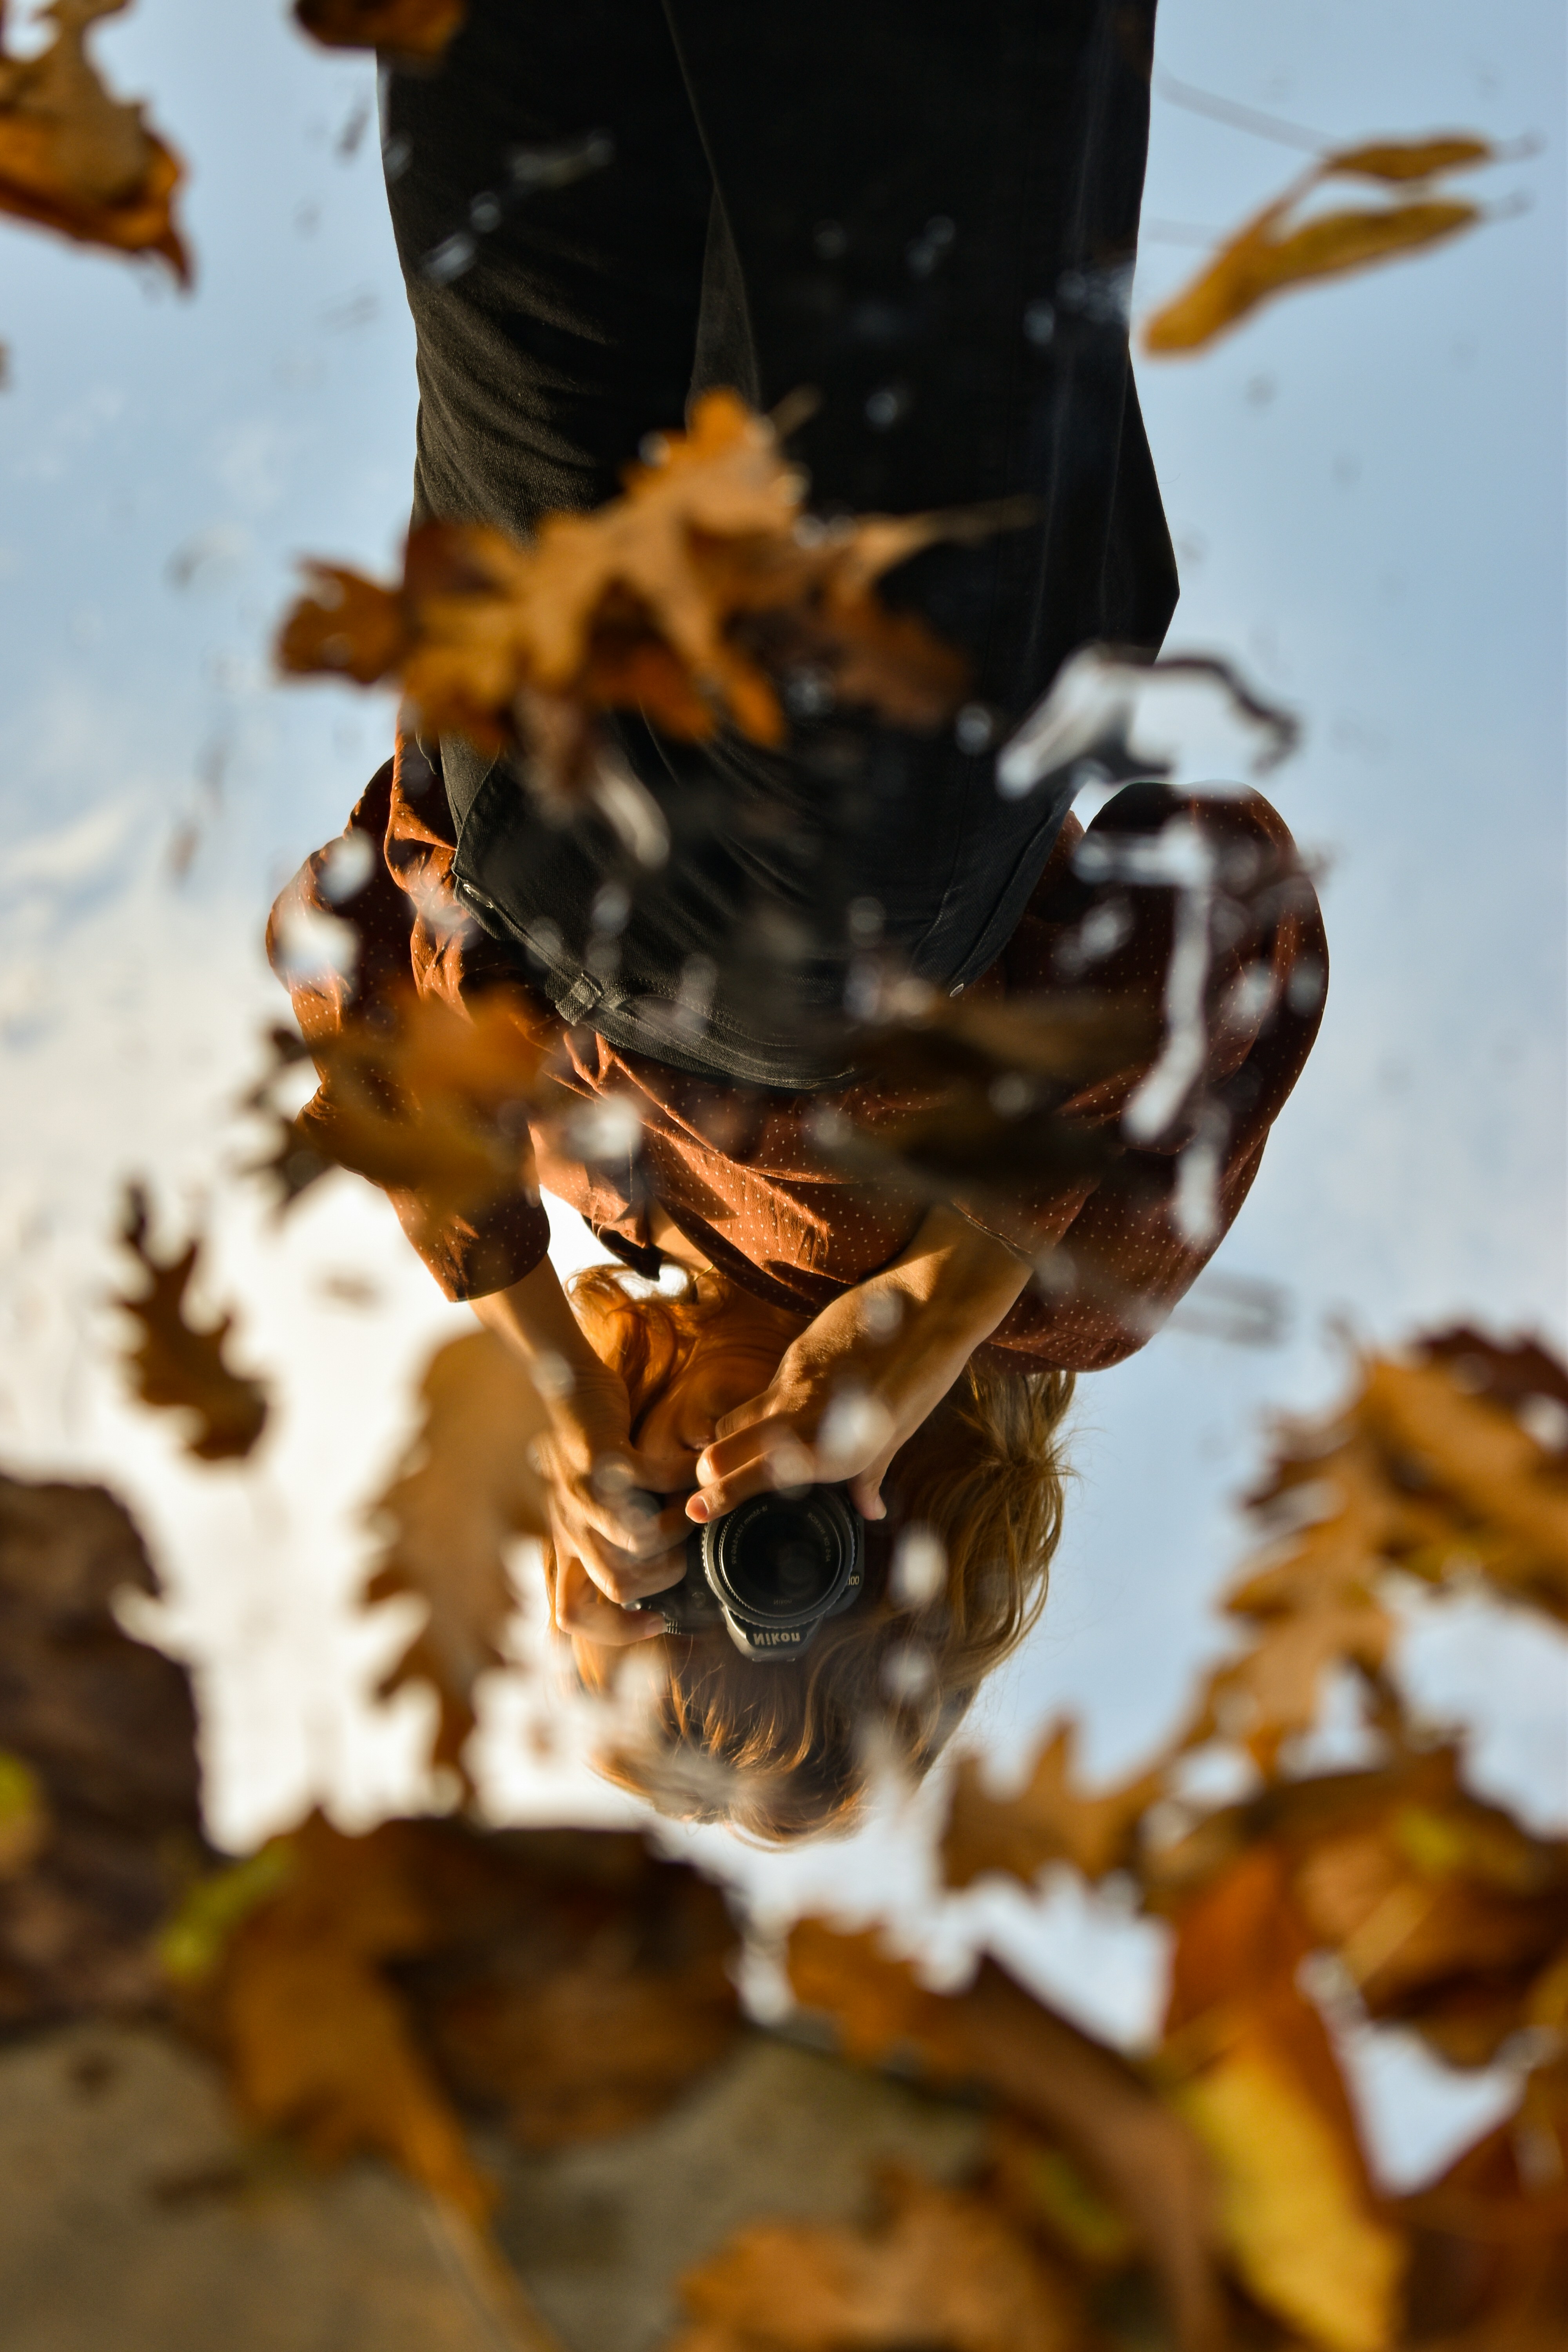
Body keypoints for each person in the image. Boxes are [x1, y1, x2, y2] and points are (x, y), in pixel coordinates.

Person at [269, 1, 1327, 1837]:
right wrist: (942, 1304)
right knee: (886, 107)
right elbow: (1222, 899)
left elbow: (349, 922)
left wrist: (520, 1310)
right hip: (850, 872)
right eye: (734, 1572)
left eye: (613, 1589)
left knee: (505, 94)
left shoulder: (575, 1192)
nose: (664, 1519)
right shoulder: (1043, 1299)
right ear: (876, 1536)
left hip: (529, 715)